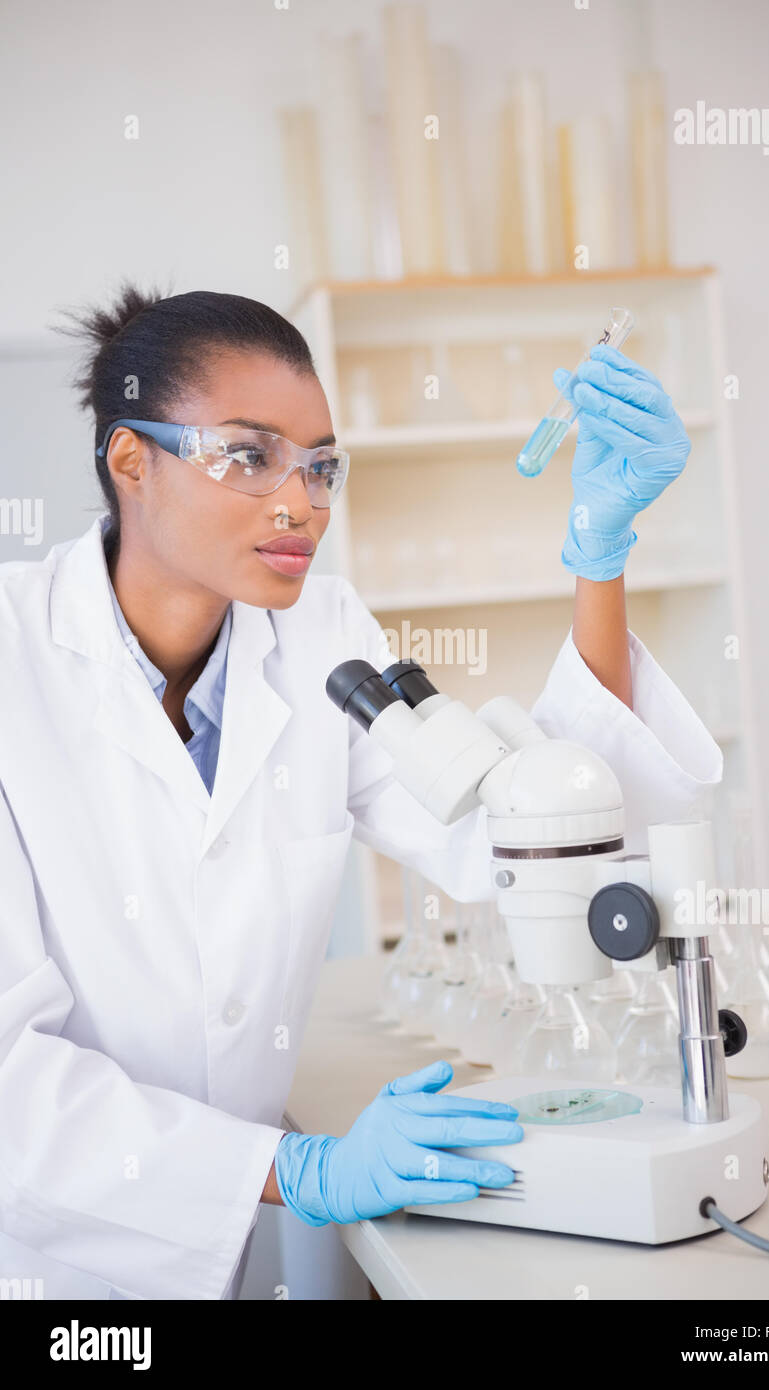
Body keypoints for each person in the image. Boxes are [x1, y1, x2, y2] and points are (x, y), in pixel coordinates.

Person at [0, 284, 721, 1299]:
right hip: (42, 1261)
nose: (301, 504)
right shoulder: (12, 660)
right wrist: (299, 1167)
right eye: (248, 456)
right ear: (132, 461)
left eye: (321, 466)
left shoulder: (321, 633)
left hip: (231, 1244)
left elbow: (509, 833)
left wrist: (596, 556)